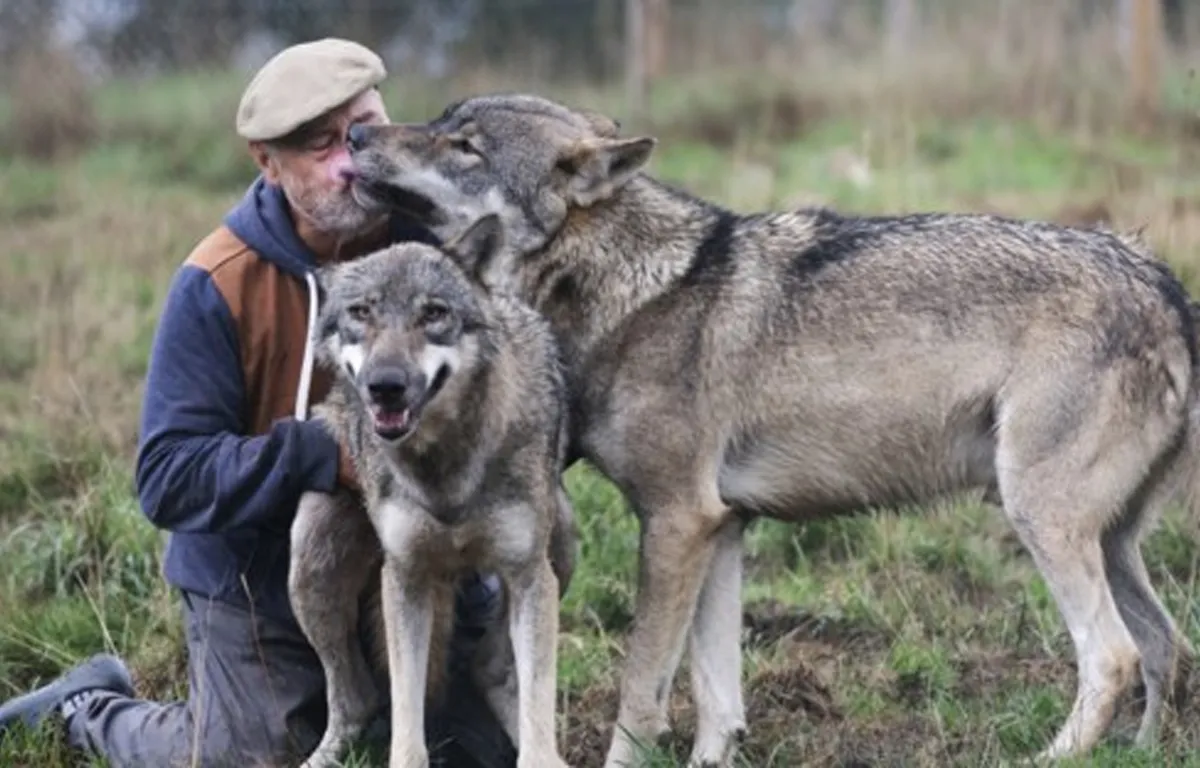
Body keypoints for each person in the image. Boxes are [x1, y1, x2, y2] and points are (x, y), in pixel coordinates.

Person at [0, 38, 517, 768]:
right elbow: (167, 476)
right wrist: (320, 454)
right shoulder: (217, 282)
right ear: (265, 163)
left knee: (479, 752)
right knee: (254, 754)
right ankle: (91, 709)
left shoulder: (449, 245)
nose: (351, 161)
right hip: (261, 575)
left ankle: (387, 702)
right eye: (319, 147)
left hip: (432, 552)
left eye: (363, 131)